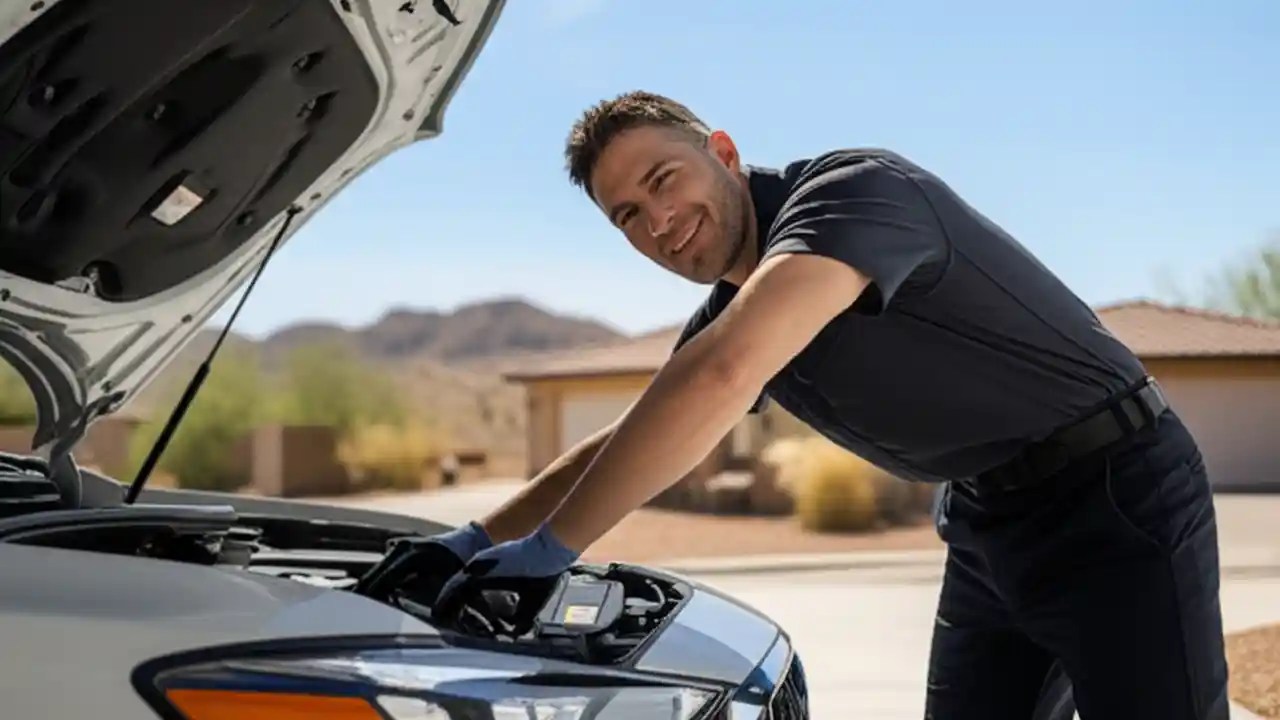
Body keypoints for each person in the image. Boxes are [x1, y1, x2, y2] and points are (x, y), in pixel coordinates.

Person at [386, 91, 1230, 719]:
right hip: (987, 522)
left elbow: (721, 377)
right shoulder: (732, 315)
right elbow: (624, 438)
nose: (659, 221)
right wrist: (474, 541)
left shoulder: (852, 196)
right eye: (628, 216)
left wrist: (557, 548)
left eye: (663, 179)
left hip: (1115, 496)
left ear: (722, 149)